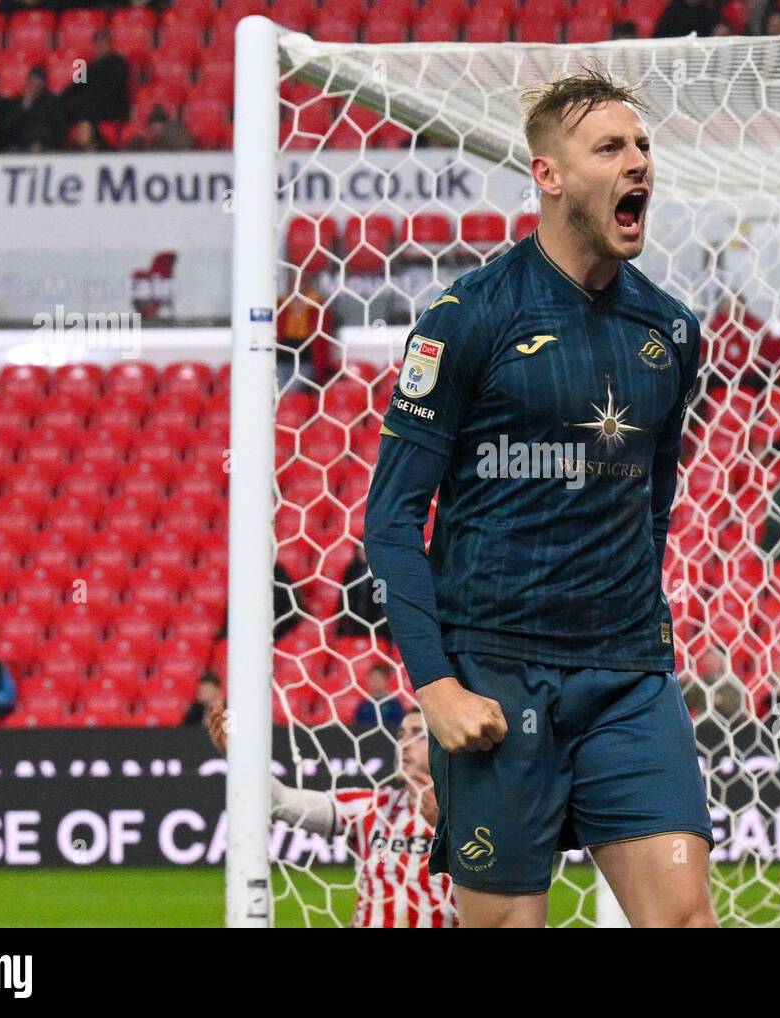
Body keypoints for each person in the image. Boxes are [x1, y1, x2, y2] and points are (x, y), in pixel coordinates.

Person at [364, 69, 715, 928]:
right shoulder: (468, 318)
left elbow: (653, 503)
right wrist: (437, 684)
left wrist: (638, 625)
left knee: (682, 915)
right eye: (609, 148)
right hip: (496, 674)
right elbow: (391, 519)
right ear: (549, 176)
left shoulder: (669, 331)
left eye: (642, 146)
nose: (637, 162)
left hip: (627, 674)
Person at [209, 702, 456, 927]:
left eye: (418, 735)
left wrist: (442, 824)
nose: (404, 744)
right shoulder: (372, 806)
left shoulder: (467, 815)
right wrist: (240, 755)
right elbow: (280, 801)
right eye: (401, 735)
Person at [1, 67, 65, 153]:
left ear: (44, 83)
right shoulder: (17, 100)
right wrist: (23, 108)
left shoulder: (52, 102)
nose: (35, 83)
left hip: (46, 146)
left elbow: (59, 127)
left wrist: (39, 142)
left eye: (38, 80)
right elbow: (7, 127)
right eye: (32, 80)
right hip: (21, 146)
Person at [353, 662, 406, 729]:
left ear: (386, 680)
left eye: (379, 678)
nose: (376, 681)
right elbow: (357, 725)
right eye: (373, 678)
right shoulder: (363, 704)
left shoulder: (394, 703)